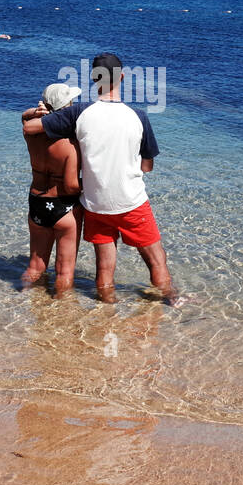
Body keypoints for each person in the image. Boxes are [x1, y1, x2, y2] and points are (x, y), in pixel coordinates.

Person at [22, 52, 174, 304]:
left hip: (95, 205)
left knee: (104, 270)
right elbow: (147, 167)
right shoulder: (139, 117)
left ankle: (106, 309)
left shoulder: (78, 112)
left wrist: (43, 112)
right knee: (156, 259)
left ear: (94, 79)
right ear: (122, 77)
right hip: (131, 201)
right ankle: (171, 299)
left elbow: (30, 128)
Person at [20, 82, 83, 294]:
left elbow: (24, 118)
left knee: (35, 266)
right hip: (62, 207)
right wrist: (87, 189)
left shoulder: (31, 135)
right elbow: (72, 185)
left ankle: (23, 296)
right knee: (64, 271)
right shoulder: (70, 145)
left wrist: (36, 112)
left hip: (37, 201)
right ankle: (62, 312)